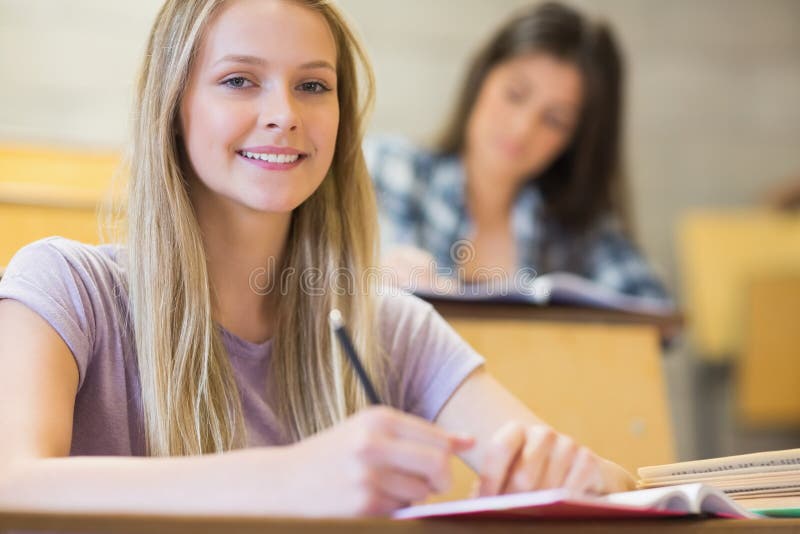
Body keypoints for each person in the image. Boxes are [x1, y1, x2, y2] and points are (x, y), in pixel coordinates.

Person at [0, 0, 633, 518]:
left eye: (312, 86)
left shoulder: (392, 327)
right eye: (239, 80)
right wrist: (289, 480)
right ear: (174, 105)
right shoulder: (65, 289)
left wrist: (570, 477)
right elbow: (11, 482)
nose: (284, 115)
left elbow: (608, 483)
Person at [366, 2, 669, 300]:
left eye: (555, 120)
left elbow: (657, 313)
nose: (522, 128)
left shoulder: (575, 231)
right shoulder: (391, 170)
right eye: (515, 94)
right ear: (481, 78)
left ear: (576, 141)